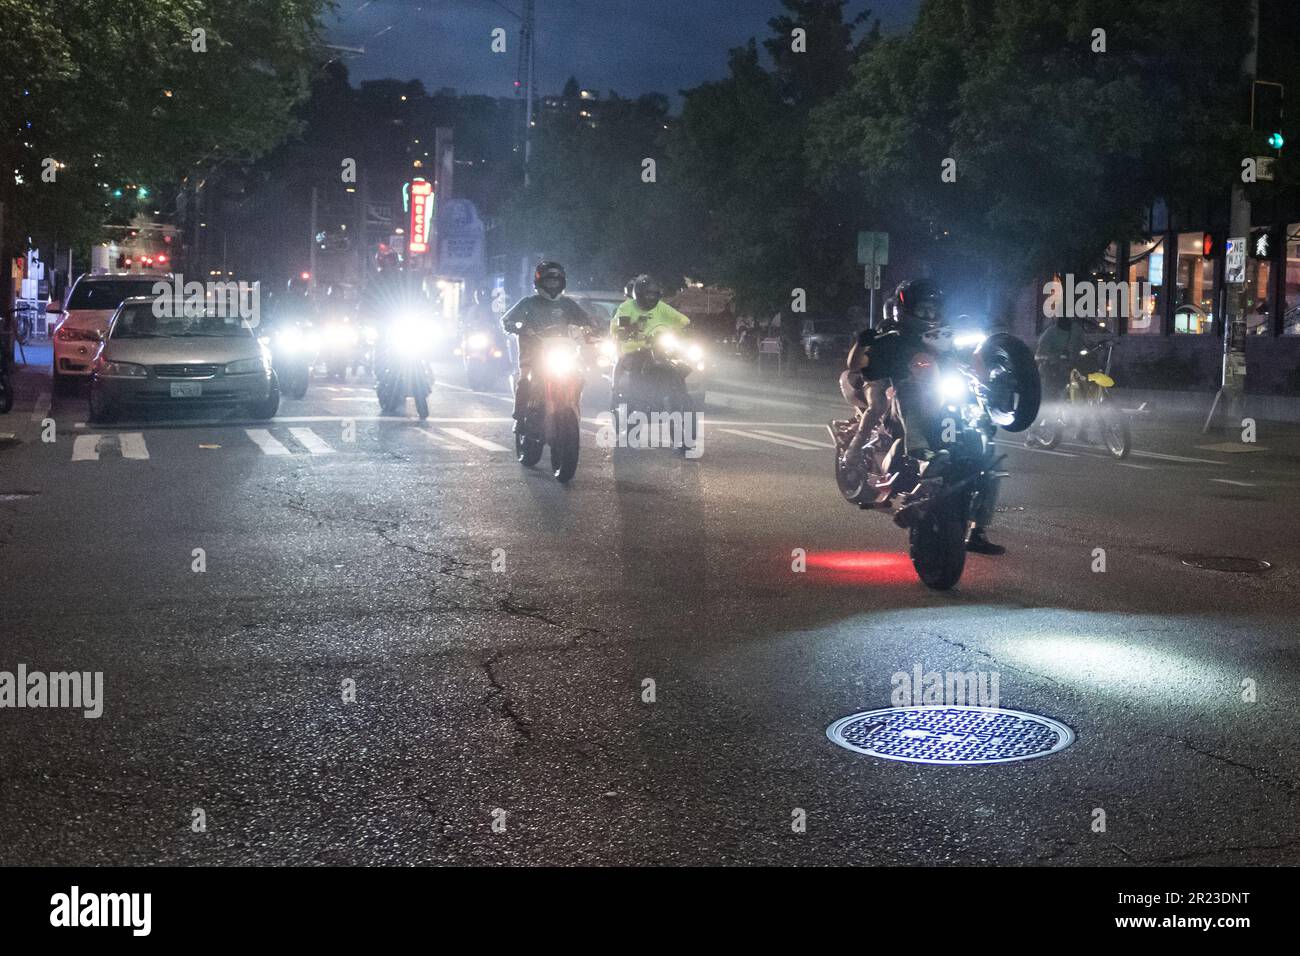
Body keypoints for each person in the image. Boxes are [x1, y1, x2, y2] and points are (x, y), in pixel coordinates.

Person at [840, 278, 1004, 554]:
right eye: (923, 309)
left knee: (989, 462)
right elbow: (858, 364)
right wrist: (862, 343)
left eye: (933, 309)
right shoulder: (890, 335)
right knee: (885, 402)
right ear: (906, 309)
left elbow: (972, 360)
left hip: (943, 395)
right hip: (902, 394)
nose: (929, 315)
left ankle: (977, 531)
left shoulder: (944, 335)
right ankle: (868, 452)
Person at [500, 261, 600, 426]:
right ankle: (520, 415)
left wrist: (593, 327)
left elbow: (586, 319)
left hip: (561, 351)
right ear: (540, 282)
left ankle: (571, 404)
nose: (553, 284)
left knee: (578, 376)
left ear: (562, 283)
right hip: (532, 352)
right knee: (525, 379)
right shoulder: (528, 303)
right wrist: (515, 326)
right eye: (549, 281)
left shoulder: (567, 304)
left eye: (556, 281)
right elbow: (507, 320)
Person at [609, 275, 690, 407]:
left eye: (653, 294)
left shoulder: (661, 307)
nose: (651, 297)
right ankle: (620, 393)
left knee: (678, 366)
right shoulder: (626, 307)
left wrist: (687, 328)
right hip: (635, 349)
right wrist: (626, 331)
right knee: (627, 362)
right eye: (647, 294)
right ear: (638, 294)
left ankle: (679, 396)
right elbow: (618, 327)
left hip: (659, 348)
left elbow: (682, 321)